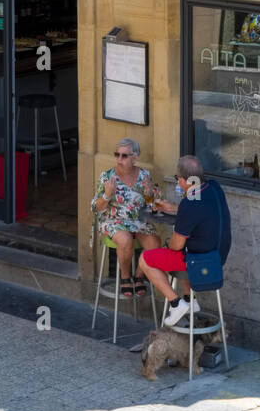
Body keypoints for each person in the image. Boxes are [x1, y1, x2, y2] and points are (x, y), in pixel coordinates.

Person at [138, 154, 231, 325]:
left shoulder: (190, 205)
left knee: (145, 259)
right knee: (187, 246)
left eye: (177, 178)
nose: (178, 182)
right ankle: (190, 300)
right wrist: (174, 208)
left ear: (185, 180)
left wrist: (169, 244)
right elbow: (199, 210)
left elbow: (176, 246)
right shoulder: (213, 187)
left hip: (201, 262)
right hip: (219, 255)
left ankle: (176, 303)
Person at [90, 137, 162, 298]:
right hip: (113, 220)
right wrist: (107, 196)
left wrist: (150, 193)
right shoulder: (108, 176)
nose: (119, 159)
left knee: (155, 243)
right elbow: (95, 207)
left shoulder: (144, 175)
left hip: (138, 220)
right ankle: (124, 277)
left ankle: (138, 276)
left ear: (135, 158)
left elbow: (153, 205)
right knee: (125, 240)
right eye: (117, 155)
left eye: (124, 156)